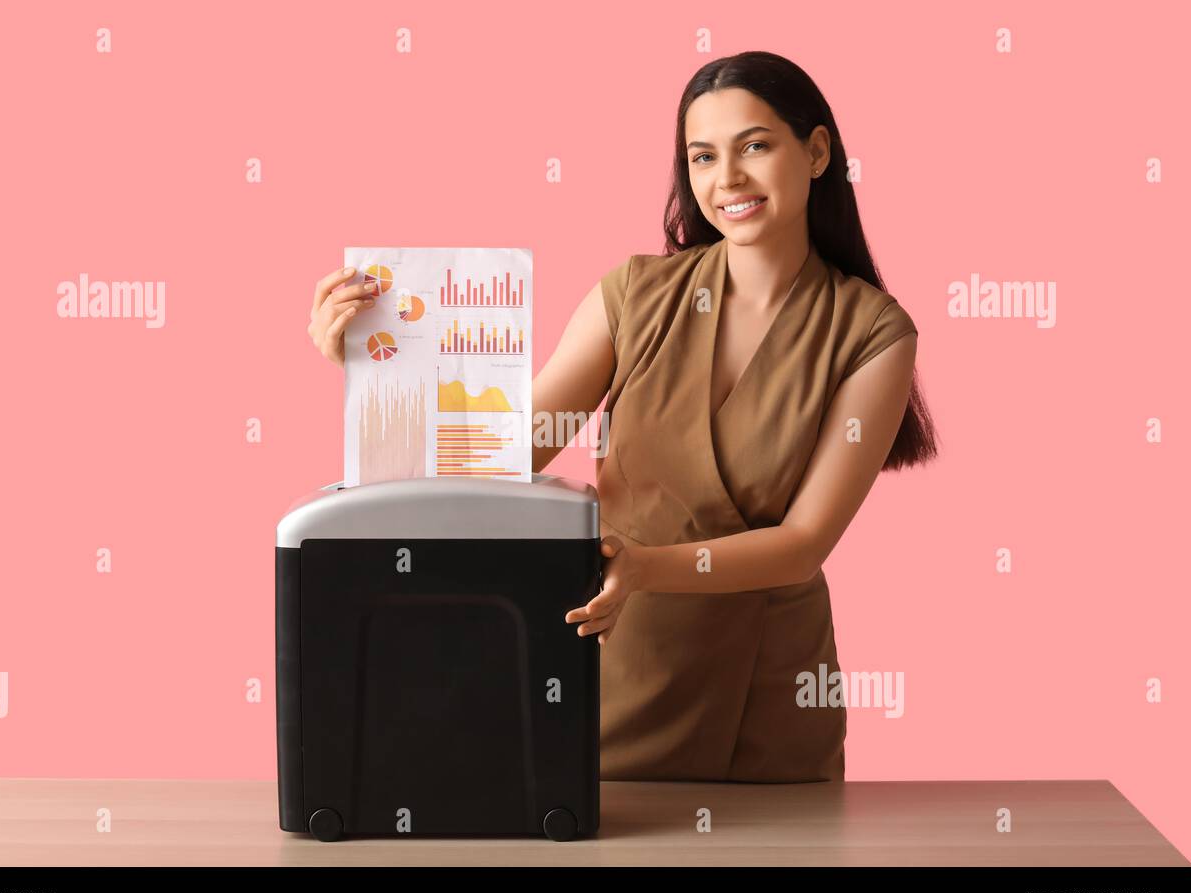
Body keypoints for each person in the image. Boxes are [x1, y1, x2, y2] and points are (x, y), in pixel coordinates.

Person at [307, 50, 939, 784]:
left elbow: (801, 544)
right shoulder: (634, 296)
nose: (726, 179)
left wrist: (645, 568)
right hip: (624, 657)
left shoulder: (874, 332)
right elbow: (503, 457)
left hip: (771, 694)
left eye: (755, 146)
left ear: (818, 151)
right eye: (702, 156)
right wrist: (374, 368)